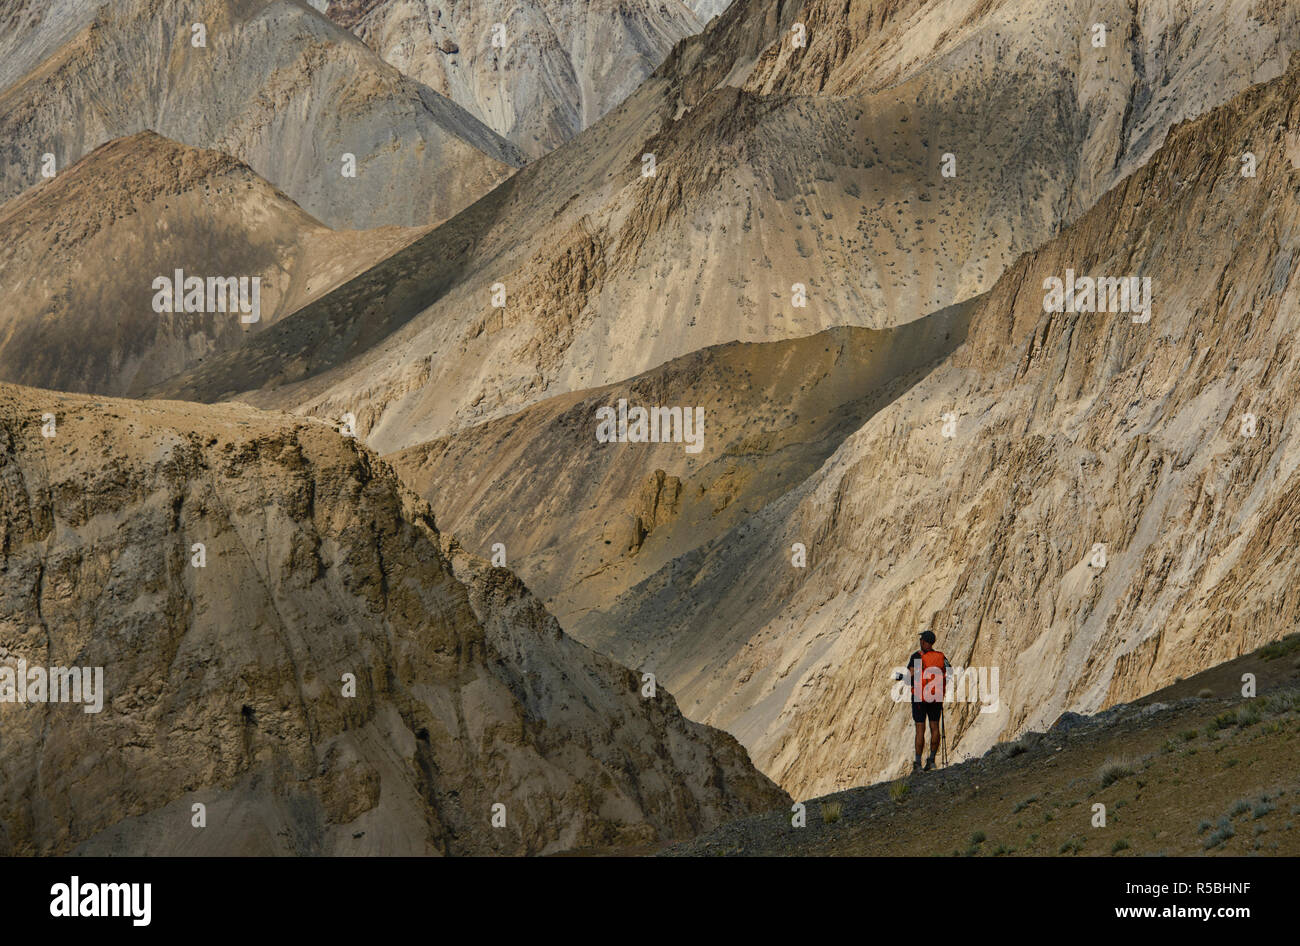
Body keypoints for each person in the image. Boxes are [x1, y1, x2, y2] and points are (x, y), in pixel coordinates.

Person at [904, 630, 950, 771]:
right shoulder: (940, 657)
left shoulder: (917, 657)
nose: (920, 642)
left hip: (920, 696)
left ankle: (917, 764)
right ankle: (931, 760)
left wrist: (903, 678)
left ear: (924, 642)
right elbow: (949, 671)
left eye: (921, 640)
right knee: (935, 727)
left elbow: (910, 676)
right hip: (936, 696)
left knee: (920, 729)